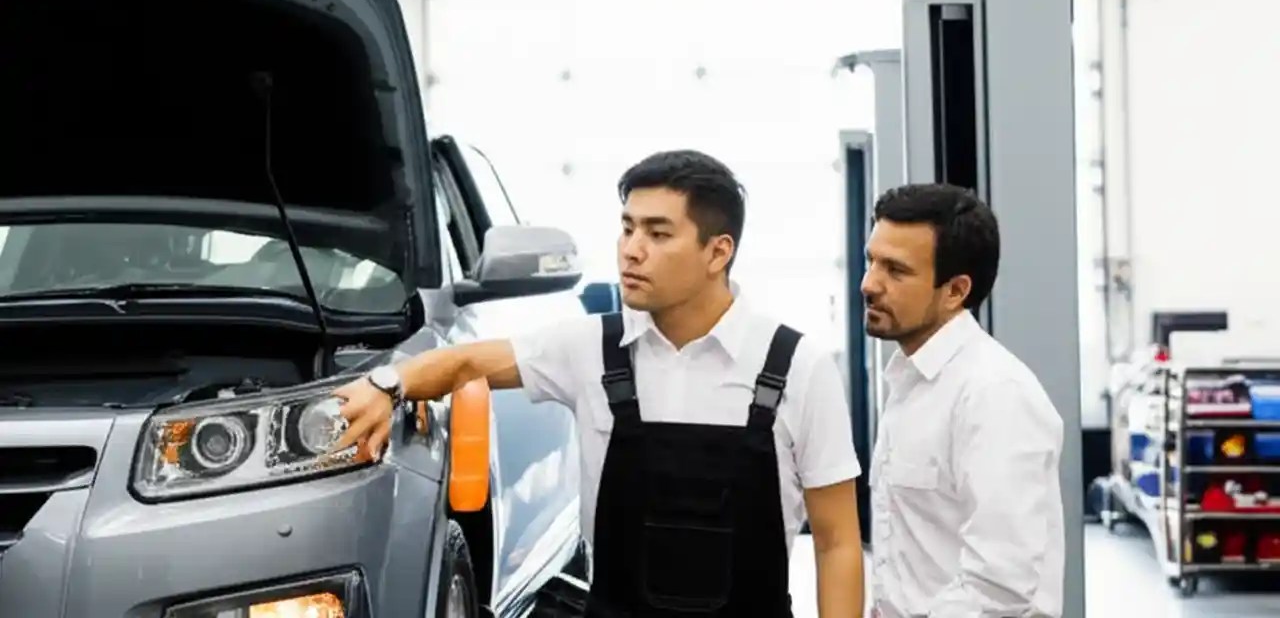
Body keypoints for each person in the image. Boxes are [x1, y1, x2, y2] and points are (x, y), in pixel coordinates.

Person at [333, 149, 866, 617]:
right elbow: (466, 362)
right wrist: (387, 383)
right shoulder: (591, 349)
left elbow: (838, 541)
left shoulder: (797, 367)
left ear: (717, 252)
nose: (631, 249)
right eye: (627, 227)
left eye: (658, 234)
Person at [861, 183, 1065, 618]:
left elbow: (1001, 584)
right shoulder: (909, 381)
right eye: (871, 261)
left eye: (895, 271)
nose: (869, 284)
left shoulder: (994, 394)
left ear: (955, 291)